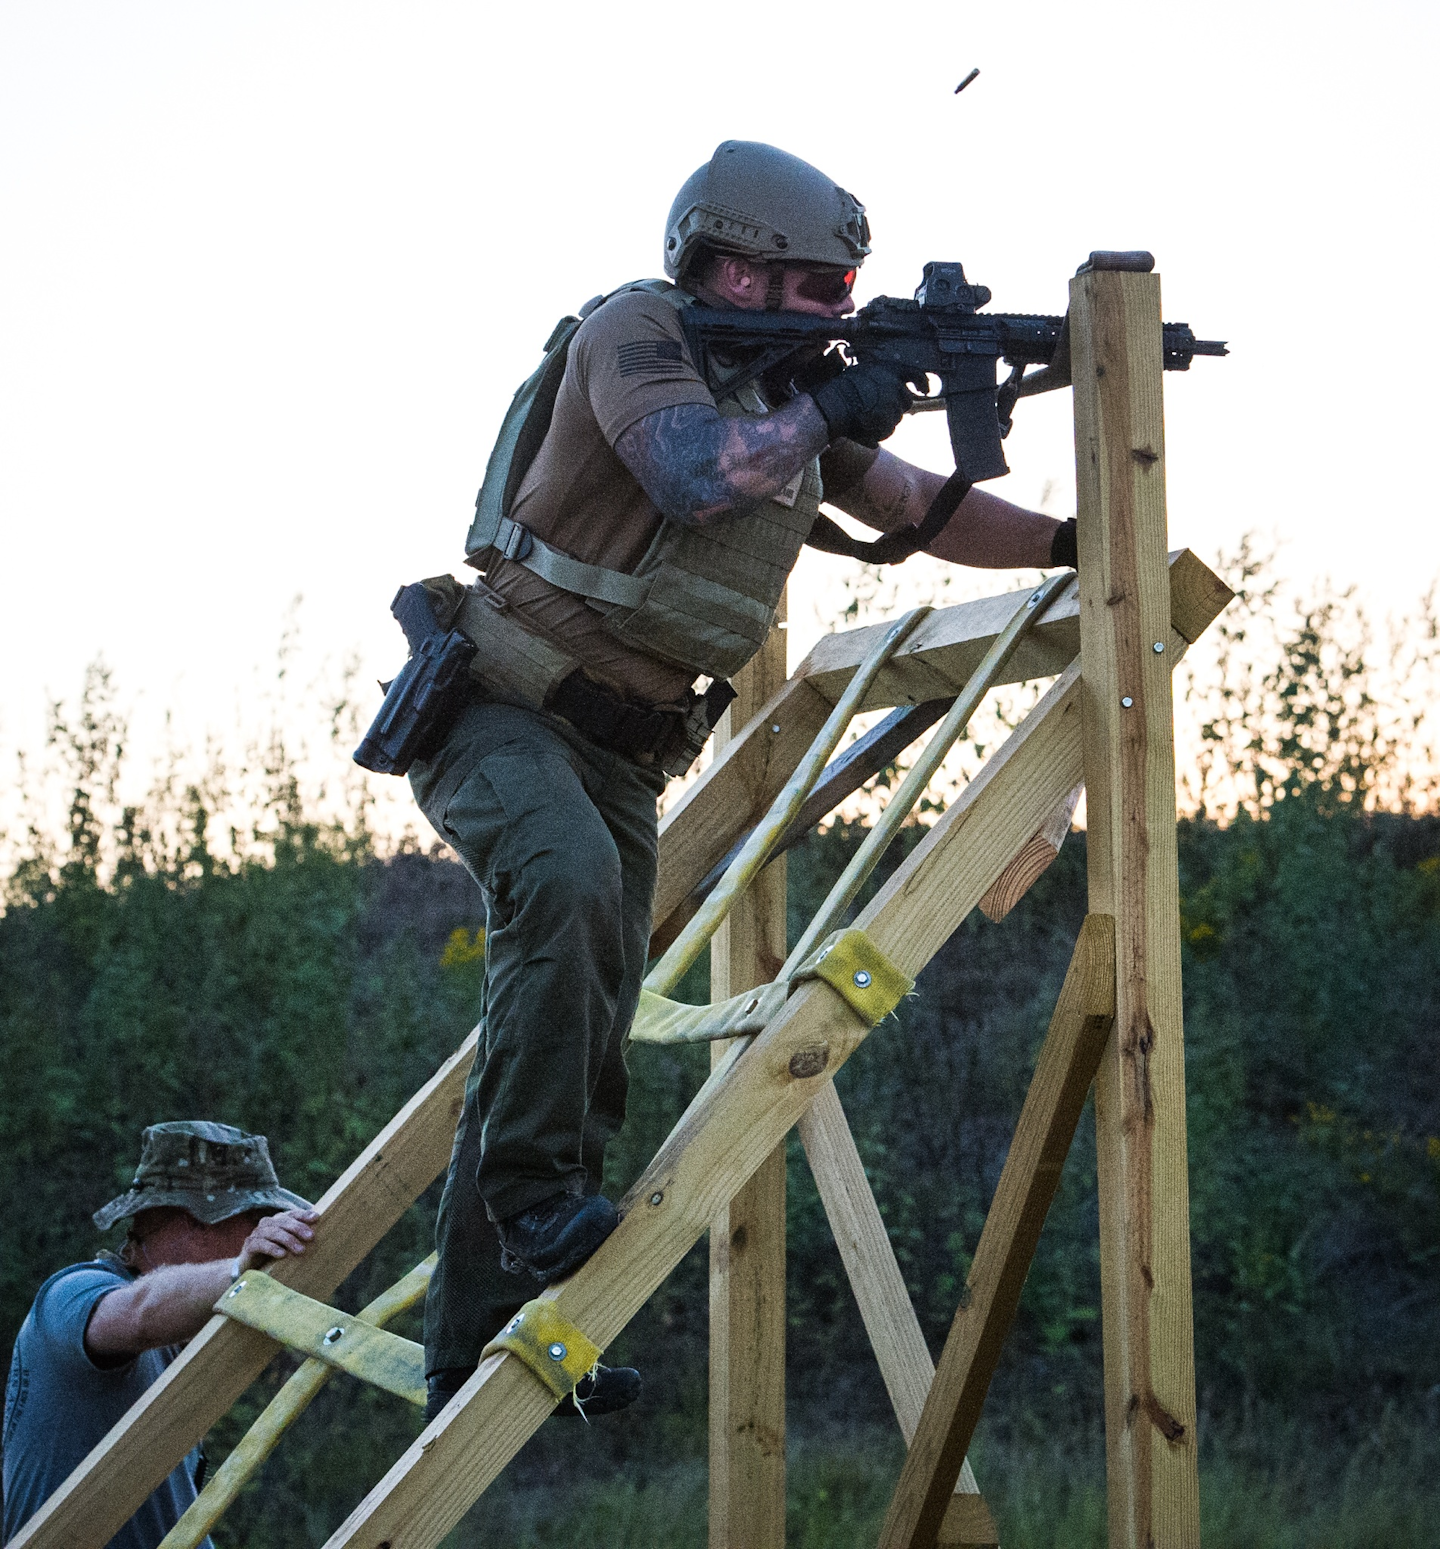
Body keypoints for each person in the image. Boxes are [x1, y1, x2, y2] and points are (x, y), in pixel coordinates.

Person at [410, 141, 1072, 1421]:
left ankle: (477, 1342)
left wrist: (1075, 544)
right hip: (498, 708)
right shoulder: (638, 332)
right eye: (821, 287)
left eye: (847, 291)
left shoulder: (786, 391)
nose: (837, 312)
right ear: (732, 268)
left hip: (623, 746)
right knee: (565, 889)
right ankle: (541, 1201)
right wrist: (835, 401)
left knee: (589, 982)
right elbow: (694, 474)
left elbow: (921, 507)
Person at [3, 1121, 318, 1548]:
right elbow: (139, 1311)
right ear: (195, 1224)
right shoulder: (71, 1296)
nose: (264, 1239)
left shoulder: (175, 1346)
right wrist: (237, 1270)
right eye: (255, 1223)